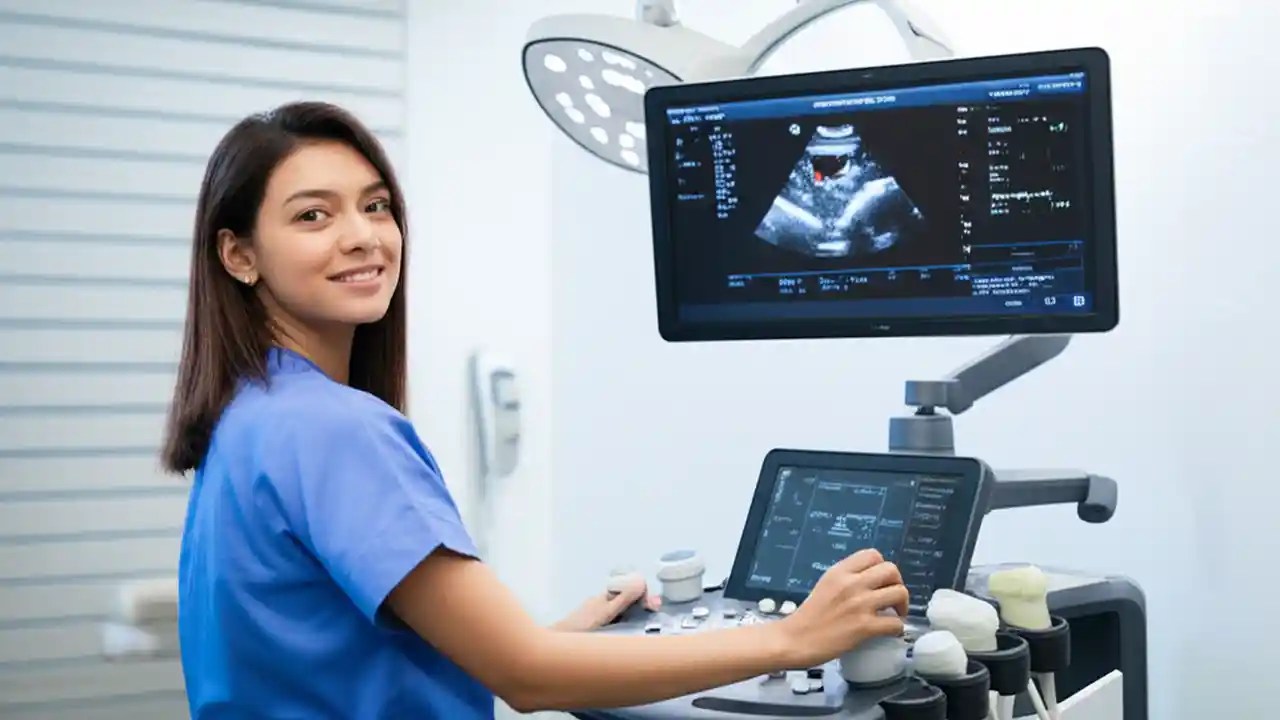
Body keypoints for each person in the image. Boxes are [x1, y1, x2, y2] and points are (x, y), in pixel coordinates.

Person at [161, 101, 911, 719]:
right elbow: (527, 679)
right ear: (238, 255)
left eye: (376, 206)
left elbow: (356, 671)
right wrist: (796, 638)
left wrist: (561, 637)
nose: (363, 237)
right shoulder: (333, 430)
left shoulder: (250, 417)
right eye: (313, 217)